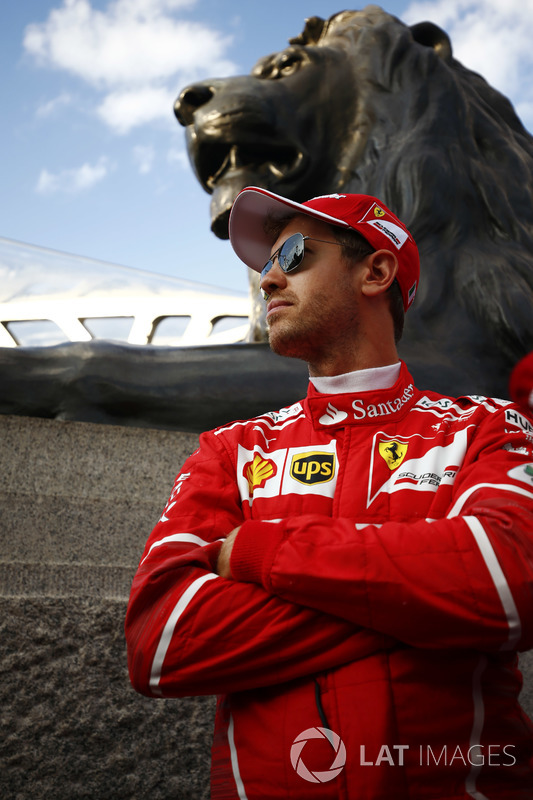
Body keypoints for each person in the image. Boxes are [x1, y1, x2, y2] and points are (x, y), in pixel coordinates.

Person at [125, 188, 533, 799]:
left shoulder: (488, 426)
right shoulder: (231, 448)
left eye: (291, 254)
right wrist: (428, 598)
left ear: (376, 271)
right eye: (263, 265)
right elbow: (161, 644)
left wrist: (262, 553)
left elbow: (512, 581)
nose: (268, 280)